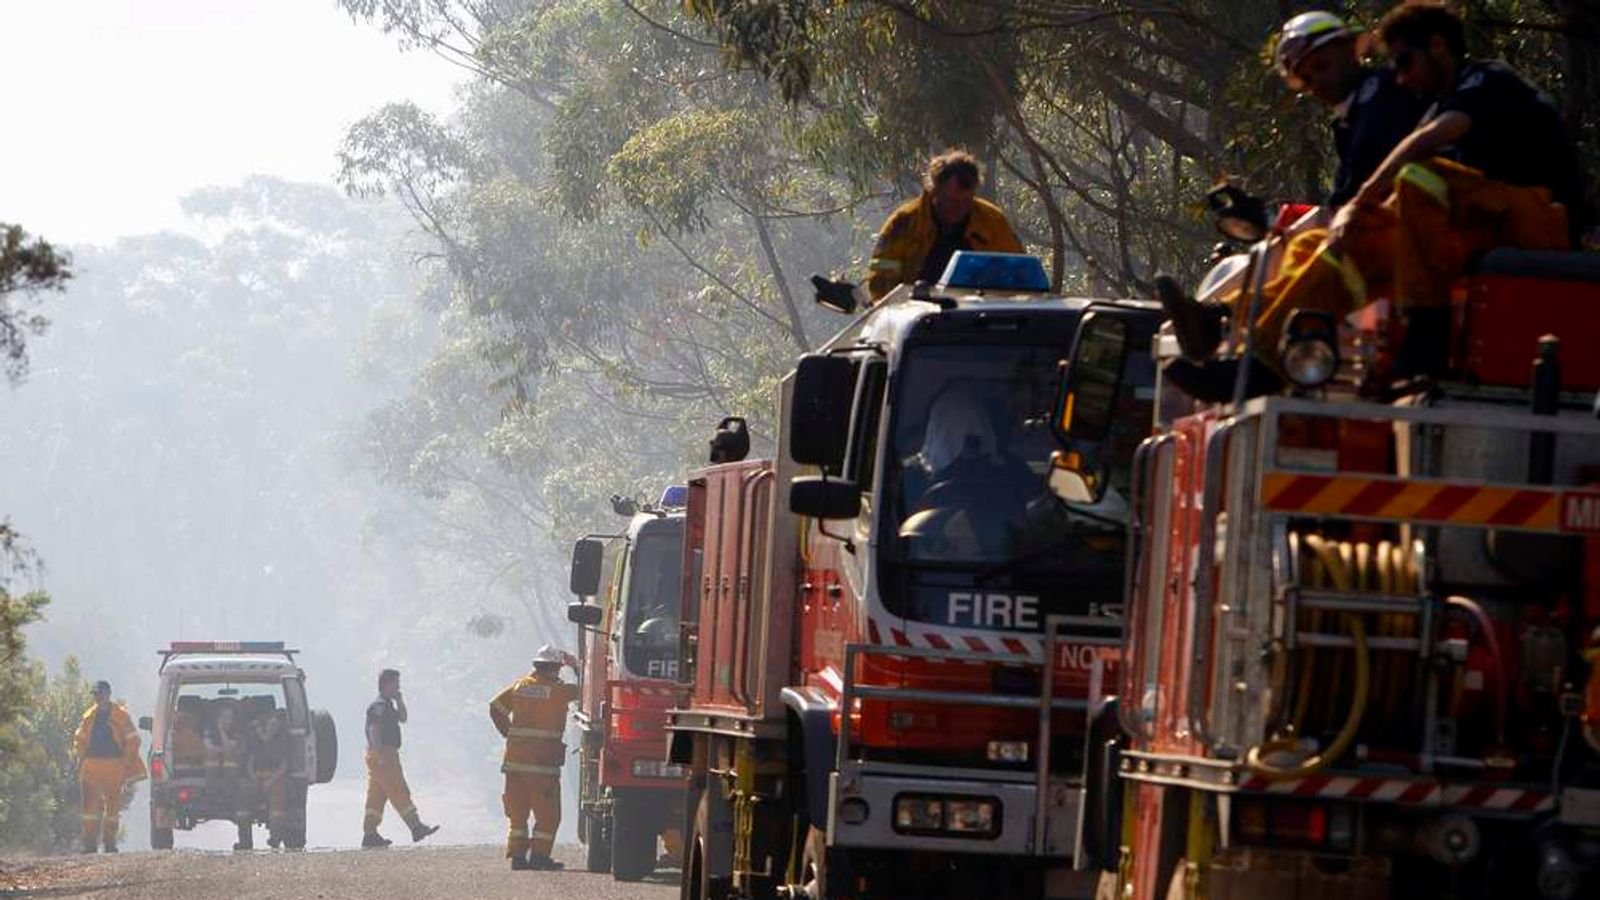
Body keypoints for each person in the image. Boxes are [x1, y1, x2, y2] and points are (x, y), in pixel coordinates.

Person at [1170, 2, 1587, 400]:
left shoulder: (1483, 80)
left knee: (1418, 177)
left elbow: (1429, 143)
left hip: (1538, 219)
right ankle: (1258, 360)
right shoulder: (1410, 104)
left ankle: (1426, 329)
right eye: (1304, 75)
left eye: (1404, 62)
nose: (1400, 78)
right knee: (1337, 250)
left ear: (1438, 46)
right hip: (1475, 227)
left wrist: (1360, 203)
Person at [1160, 10, 1427, 379]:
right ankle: (1222, 320)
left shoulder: (1381, 98)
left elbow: (1352, 201)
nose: (1317, 80)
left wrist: (1283, 223)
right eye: (1305, 74)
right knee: (1303, 251)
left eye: (1321, 63)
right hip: (1387, 235)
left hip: (1406, 239)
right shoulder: (1353, 114)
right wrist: (1272, 218)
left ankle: (1254, 359)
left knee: (1319, 256)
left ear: (1350, 50)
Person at [866, 149, 1024, 302]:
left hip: (980, 317)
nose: (959, 209)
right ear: (934, 192)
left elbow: (1021, 272)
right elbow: (881, 280)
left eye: (966, 201)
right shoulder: (904, 223)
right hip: (920, 318)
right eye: (951, 201)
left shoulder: (993, 221)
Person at [489, 645, 580, 871]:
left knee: (518, 815)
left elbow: (495, 707)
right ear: (555, 668)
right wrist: (576, 666)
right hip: (542, 767)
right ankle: (539, 857)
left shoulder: (520, 687)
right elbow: (587, 690)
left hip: (515, 764)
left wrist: (509, 734)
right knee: (548, 816)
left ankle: (518, 858)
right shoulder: (558, 691)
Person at [362, 668, 440, 848]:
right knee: (399, 789)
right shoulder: (379, 706)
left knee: (377, 796)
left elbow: (403, 718)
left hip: (382, 754)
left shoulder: (389, 705)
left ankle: (370, 835)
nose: (398, 686)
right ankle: (416, 827)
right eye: (396, 683)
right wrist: (381, 754)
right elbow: (374, 730)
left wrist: (400, 700)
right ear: (387, 684)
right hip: (383, 754)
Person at [71, 680, 146, 853]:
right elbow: (80, 740)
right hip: (92, 766)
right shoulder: (88, 715)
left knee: (113, 806)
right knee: (90, 807)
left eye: (100, 693)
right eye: (95, 694)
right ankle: (89, 844)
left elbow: (133, 740)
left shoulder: (121, 716)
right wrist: (80, 759)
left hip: (115, 765)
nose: (97, 697)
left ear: (108, 694)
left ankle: (109, 843)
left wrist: (127, 764)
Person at [248, 710, 291, 849]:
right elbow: (250, 763)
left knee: (277, 811)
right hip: (257, 777)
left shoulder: (282, 742)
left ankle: (275, 838)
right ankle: (245, 842)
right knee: (243, 807)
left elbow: (284, 766)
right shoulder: (255, 740)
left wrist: (271, 780)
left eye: (274, 724)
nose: (271, 727)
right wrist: (254, 779)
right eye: (268, 724)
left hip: (275, 778)